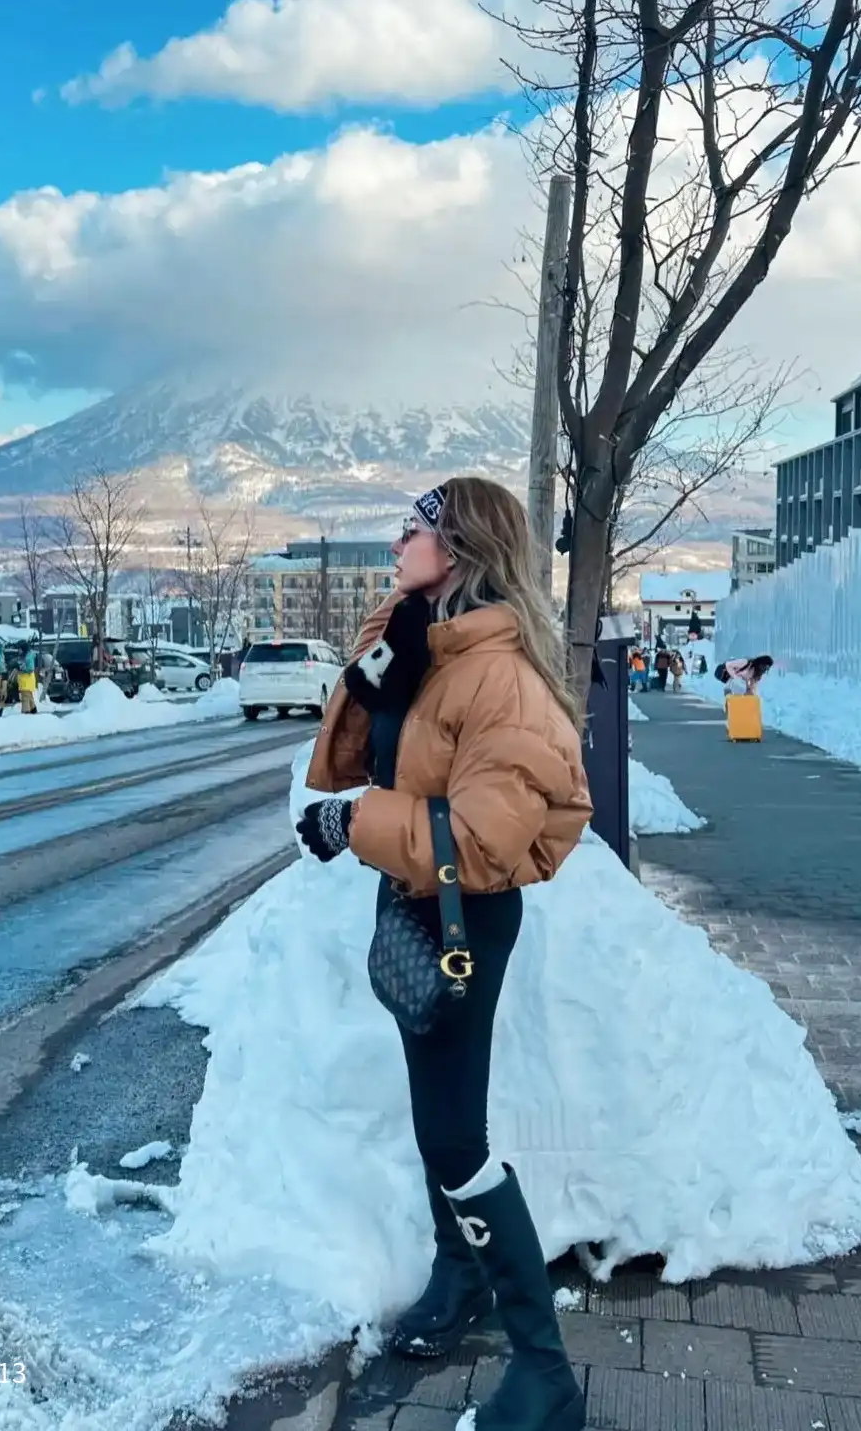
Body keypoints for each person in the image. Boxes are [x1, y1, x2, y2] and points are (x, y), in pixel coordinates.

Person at [299, 477, 591, 1431]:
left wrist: (352, 824)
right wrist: (388, 643)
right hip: (415, 903)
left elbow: (480, 840)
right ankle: (457, 1276)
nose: (394, 544)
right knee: (438, 1125)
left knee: (458, 1139)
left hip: (464, 915)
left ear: (458, 548)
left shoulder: (500, 681)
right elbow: (352, 754)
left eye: (410, 532)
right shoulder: (429, 652)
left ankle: (545, 1374)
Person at [17, 644, 39, 714]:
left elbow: (30, 668)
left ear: (24, 649)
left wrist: (22, 671)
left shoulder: (28, 657)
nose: (18, 650)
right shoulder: (25, 656)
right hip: (25, 680)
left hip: (26, 680)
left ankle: (26, 712)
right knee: (29, 696)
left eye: (20, 649)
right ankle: (33, 709)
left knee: (25, 697)